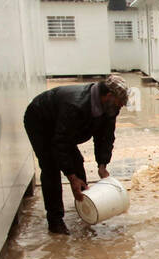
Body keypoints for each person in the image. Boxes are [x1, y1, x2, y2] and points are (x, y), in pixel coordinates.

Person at [22, 75, 129, 234]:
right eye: (119, 103)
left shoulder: (110, 108)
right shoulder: (75, 105)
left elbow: (105, 137)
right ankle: (55, 221)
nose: (121, 107)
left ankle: (85, 205)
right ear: (108, 96)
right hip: (40, 121)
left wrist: (102, 165)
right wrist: (71, 178)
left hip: (63, 128)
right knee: (50, 168)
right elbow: (61, 143)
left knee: (77, 162)